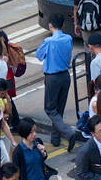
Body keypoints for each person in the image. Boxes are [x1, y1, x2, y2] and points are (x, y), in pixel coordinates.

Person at [34, 14, 81, 150]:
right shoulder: (68, 38)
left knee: (50, 108)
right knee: (59, 109)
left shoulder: (49, 41)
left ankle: (67, 132)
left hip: (52, 77)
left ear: (50, 25)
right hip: (65, 76)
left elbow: (39, 55)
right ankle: (55, 138)